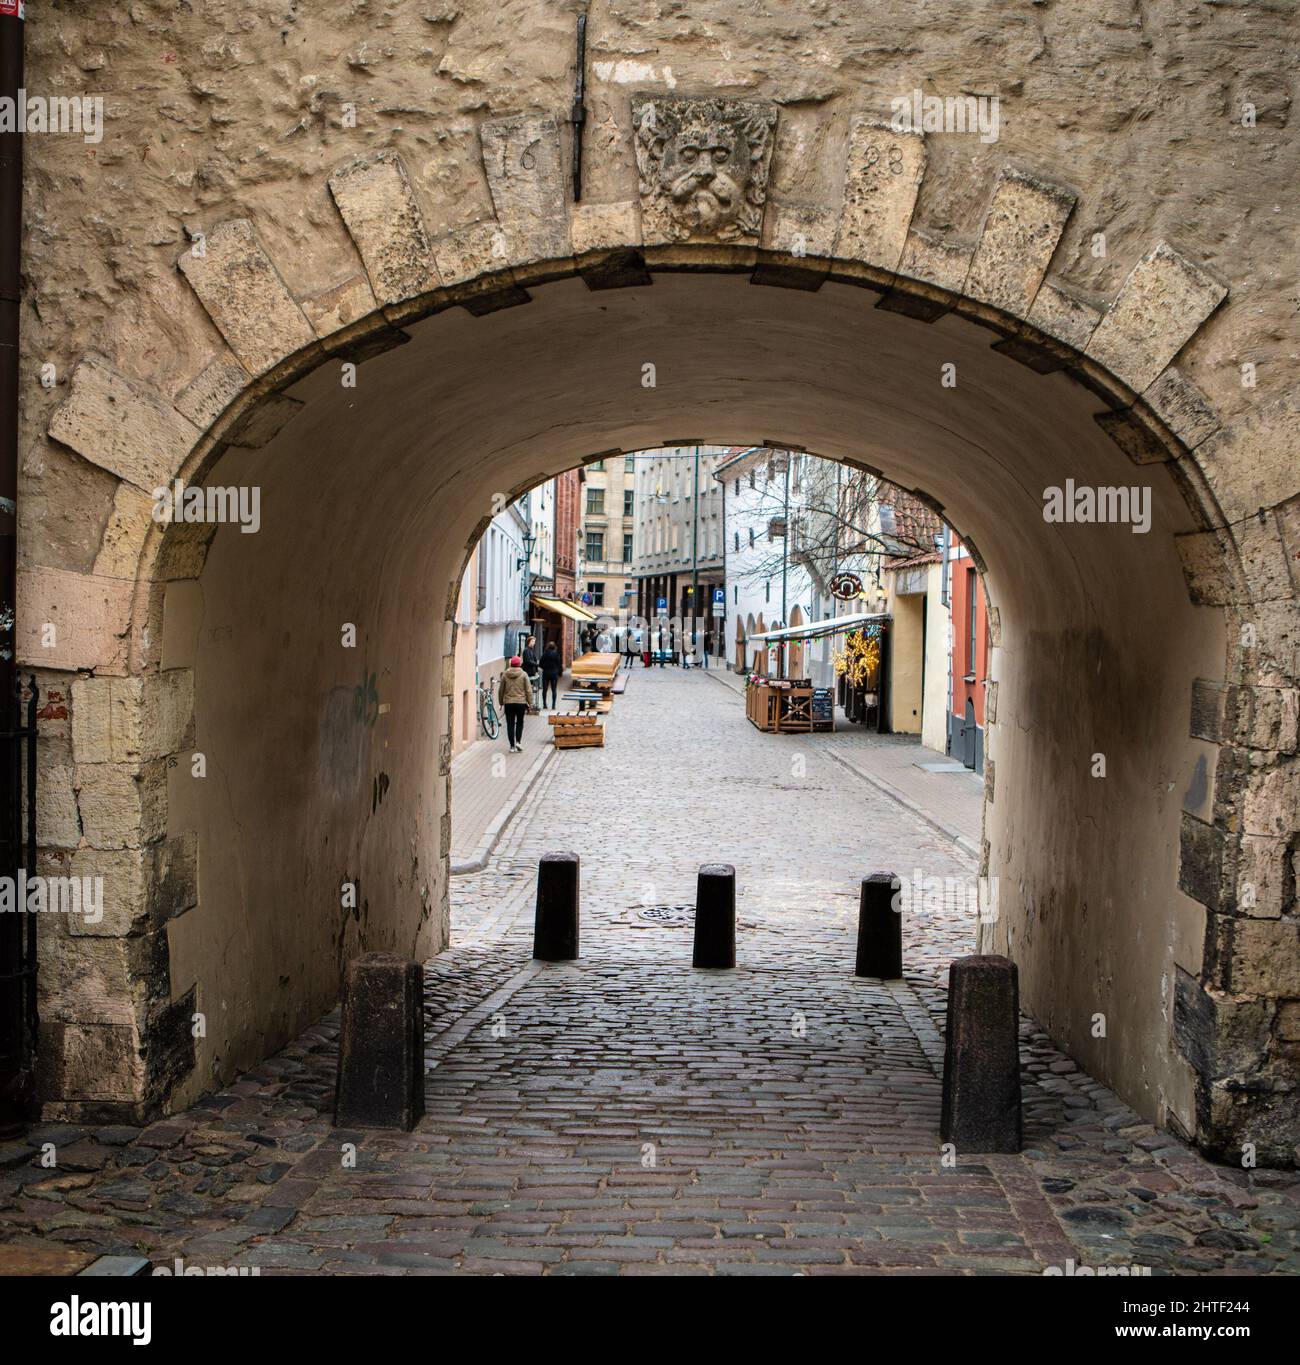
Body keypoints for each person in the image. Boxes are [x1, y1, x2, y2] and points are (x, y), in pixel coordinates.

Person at [498, 655, 533, 752]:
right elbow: (528, 690)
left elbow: (501, 690)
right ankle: (518, 742)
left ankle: (512, 746)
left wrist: (501, 702)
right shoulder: (524, 674)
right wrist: (530, 703)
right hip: (521, 703)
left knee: (510, 724)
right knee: (520, 722)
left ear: (511, 664)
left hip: (509, 703)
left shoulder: (505, 674)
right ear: (519, 664)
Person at [540, 641, 562, 709]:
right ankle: (553, 705)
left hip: (546, 673)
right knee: (554, 689)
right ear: (554, 646)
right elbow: (559, 664)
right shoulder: (556, 654)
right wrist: (558, 672)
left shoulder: (545, 654)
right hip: (554, 674)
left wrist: (545, 667)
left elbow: (540, 664)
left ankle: (544, 704)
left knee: (545, 689)